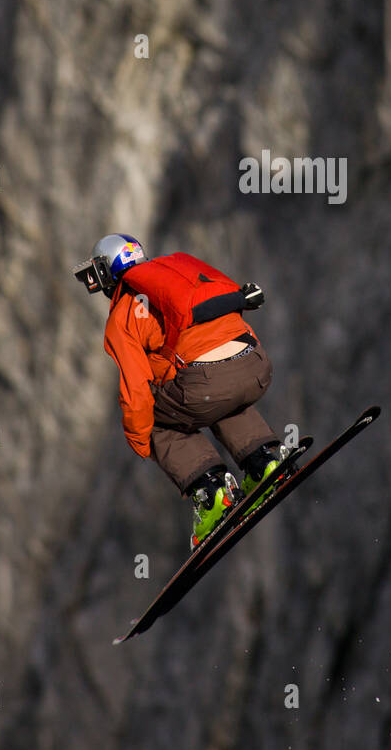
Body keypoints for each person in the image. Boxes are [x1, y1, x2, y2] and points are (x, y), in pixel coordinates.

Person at [74, 234, 291, 549]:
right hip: (256, 365)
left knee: (155, 418)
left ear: (108, 271)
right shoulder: (177, 278)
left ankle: (213, 493)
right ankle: (264, 463)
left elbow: (136, 392)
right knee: (217, 394)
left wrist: (141, 441)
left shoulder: (122, 314)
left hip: (208, 385)